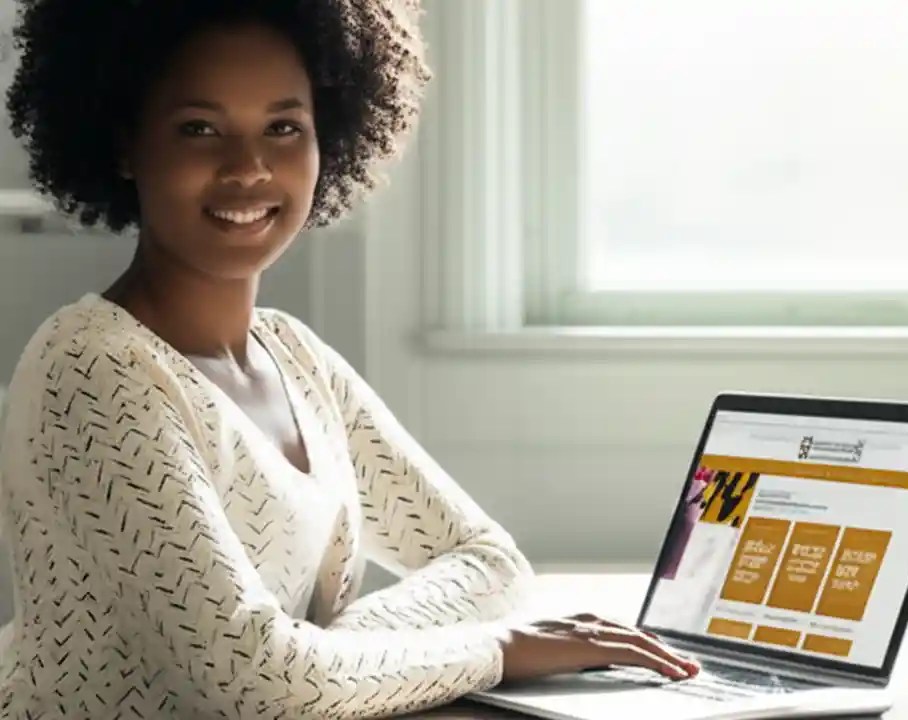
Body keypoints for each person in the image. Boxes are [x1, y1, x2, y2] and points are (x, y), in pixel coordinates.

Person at [0, 1, 698, 717]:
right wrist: (495, 652)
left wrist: (325, 654)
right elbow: (257, 684)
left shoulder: (294, 358)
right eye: (199, 129)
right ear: (124, 144)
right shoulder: (93, 371)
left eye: (283, 128)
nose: (249, 168)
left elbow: (489, 565)